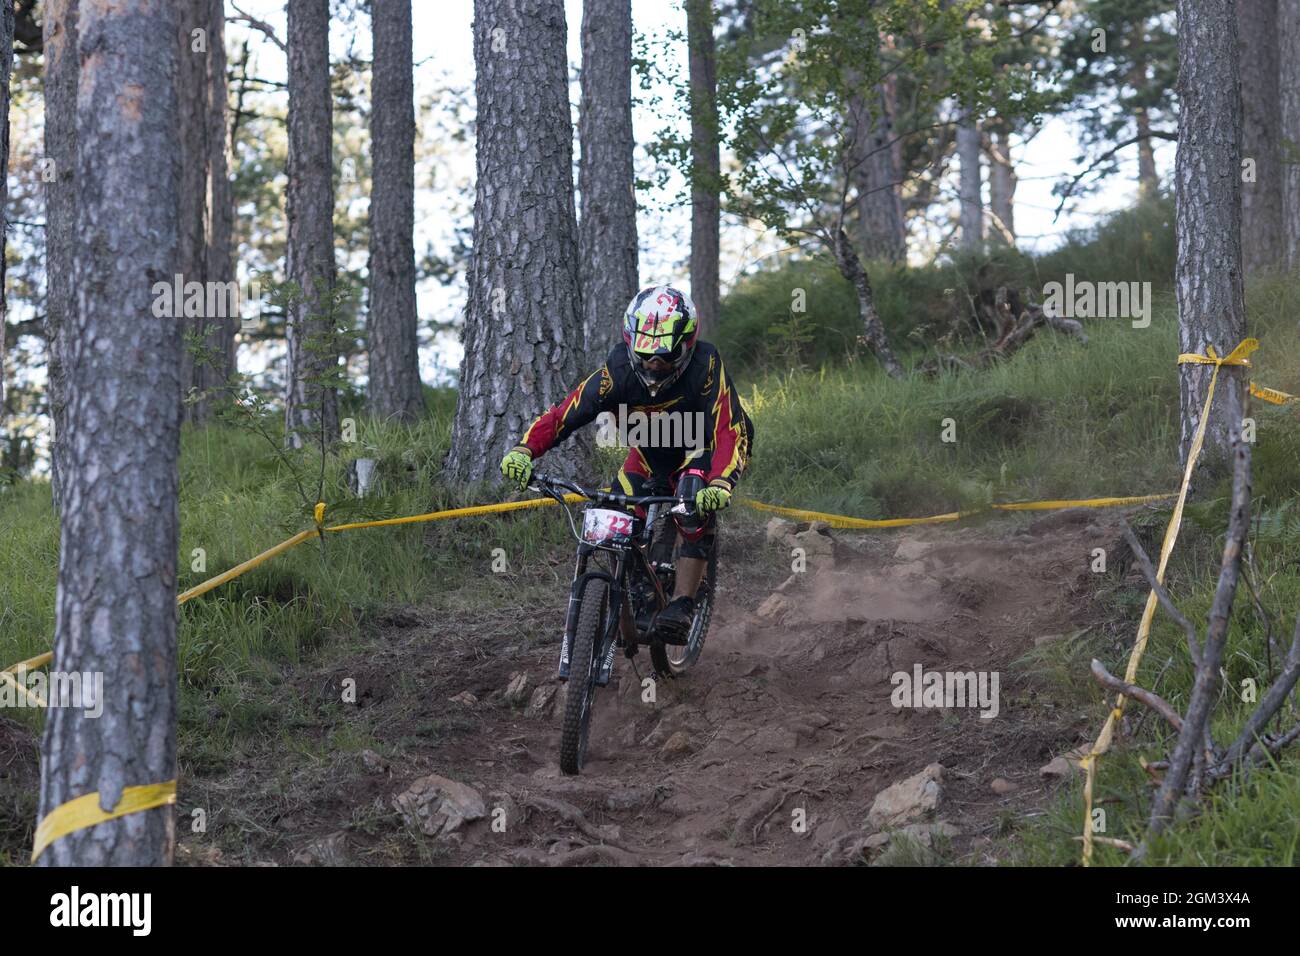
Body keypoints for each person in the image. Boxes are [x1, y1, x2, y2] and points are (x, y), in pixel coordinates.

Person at [499, 284, 753, 639]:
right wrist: (524, 450)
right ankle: (635, 585)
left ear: (688, 343)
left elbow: (729, 430)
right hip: (649, 453)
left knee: (690, 503)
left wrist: (721, 482)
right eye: (646, 353)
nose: (654, 363)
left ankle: (683, 602)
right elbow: (563, 415)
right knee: (614, 514)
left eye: (666, 355)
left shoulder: (705, 365)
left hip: (703, 448)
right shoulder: (617, 370)